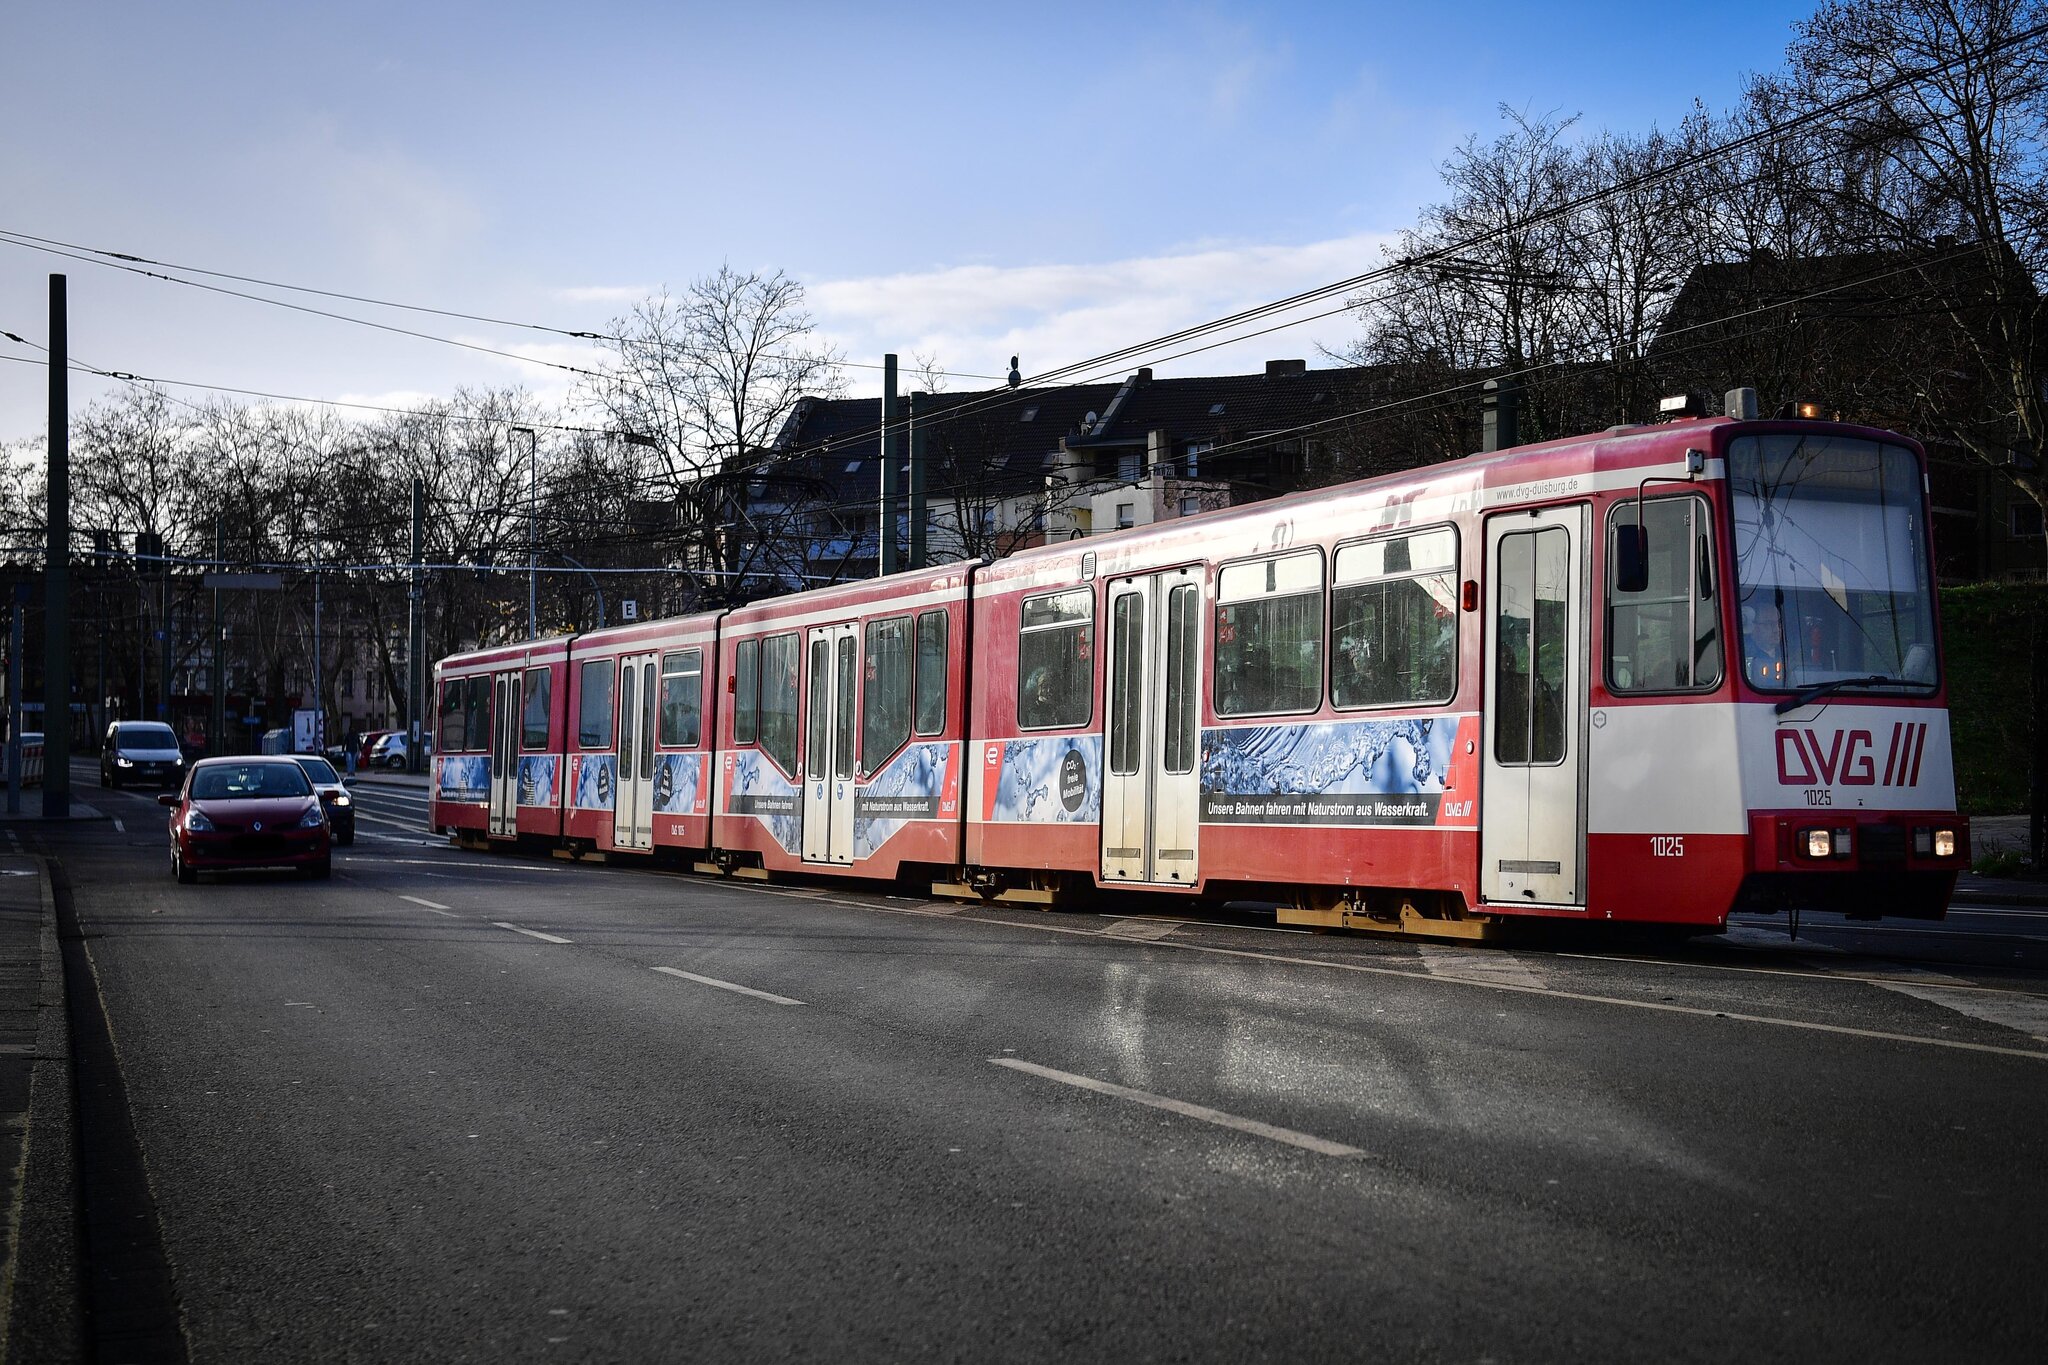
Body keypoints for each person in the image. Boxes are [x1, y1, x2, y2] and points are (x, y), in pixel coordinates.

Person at [1744, 598, 1787, 688]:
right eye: (1769, 624)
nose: (1776, 629)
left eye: (1778, 623)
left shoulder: (1789, 654)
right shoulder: (1744, 656)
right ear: (1753, 627)